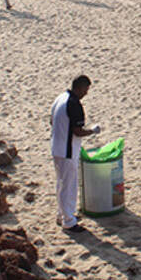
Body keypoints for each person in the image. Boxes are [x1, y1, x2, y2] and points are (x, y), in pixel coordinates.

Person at [51, 75, 102, 233]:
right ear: (79, 88)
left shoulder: (60, 98)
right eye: (86, 90)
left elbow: (51, 121)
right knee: (69, 185)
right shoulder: (74, 104)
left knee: (61, 183)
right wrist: (92, 131)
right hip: (67, 150)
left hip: (56, 147)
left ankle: (62, 214)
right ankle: (69, 221)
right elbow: (78, 131)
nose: (86, 93)